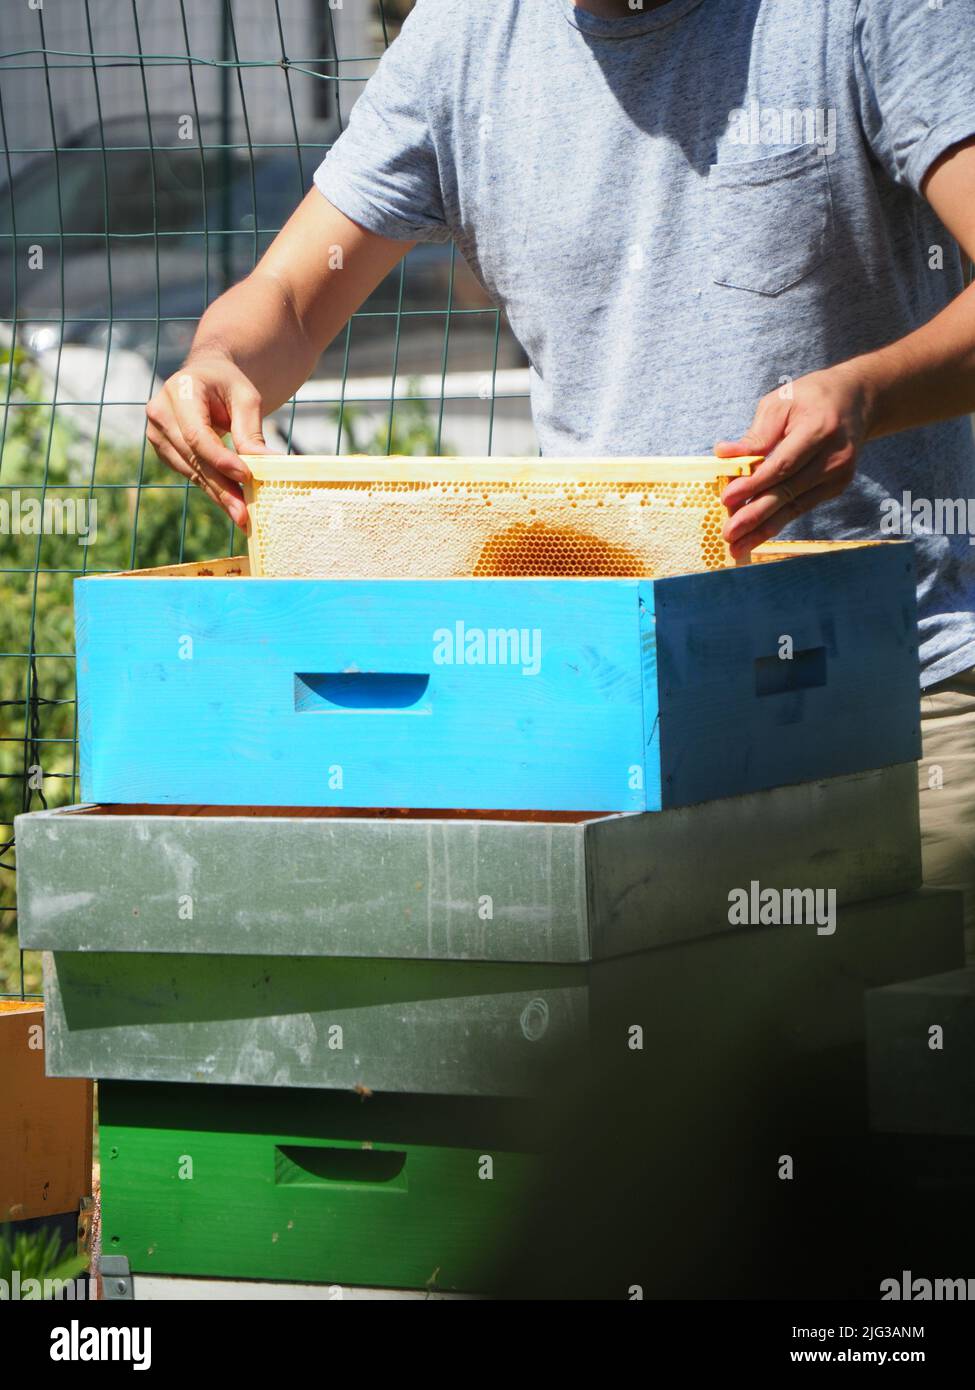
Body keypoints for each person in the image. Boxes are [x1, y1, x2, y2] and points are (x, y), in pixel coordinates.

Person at [146, 0, 975, 951]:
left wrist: (867, 395)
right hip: (599, 714)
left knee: (893, 1085)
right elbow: (288, 297)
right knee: (648, 1086)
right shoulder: (465, 39)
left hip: (892, 706)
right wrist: (220, 362)